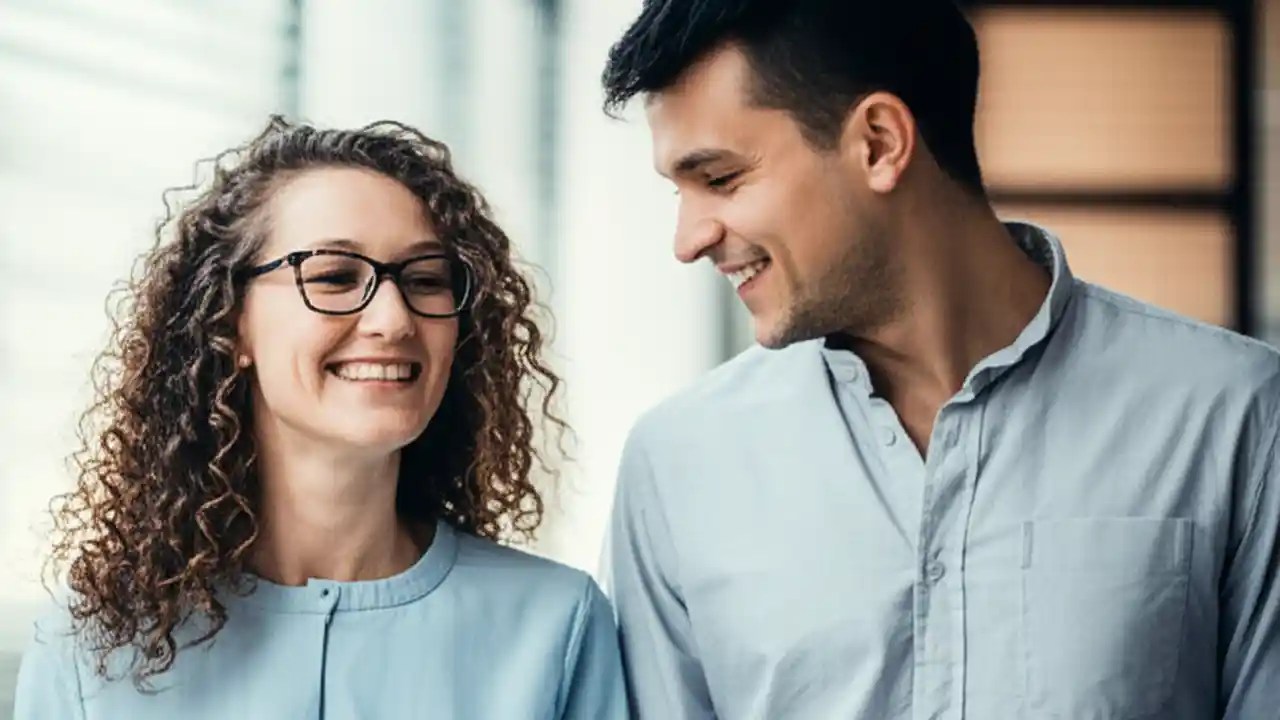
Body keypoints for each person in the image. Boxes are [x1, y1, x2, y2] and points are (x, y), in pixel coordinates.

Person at [598, 1, 1280, 718]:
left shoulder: (1234, 417)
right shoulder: (678, 465)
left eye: (722, 179)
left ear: (880, 142)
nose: (688, 239)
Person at [15, 117, 626, 719]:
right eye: (335, 275)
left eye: (426, 279)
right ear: (231, 322)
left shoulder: (557, 627)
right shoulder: (85, 650)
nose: (394, 319)